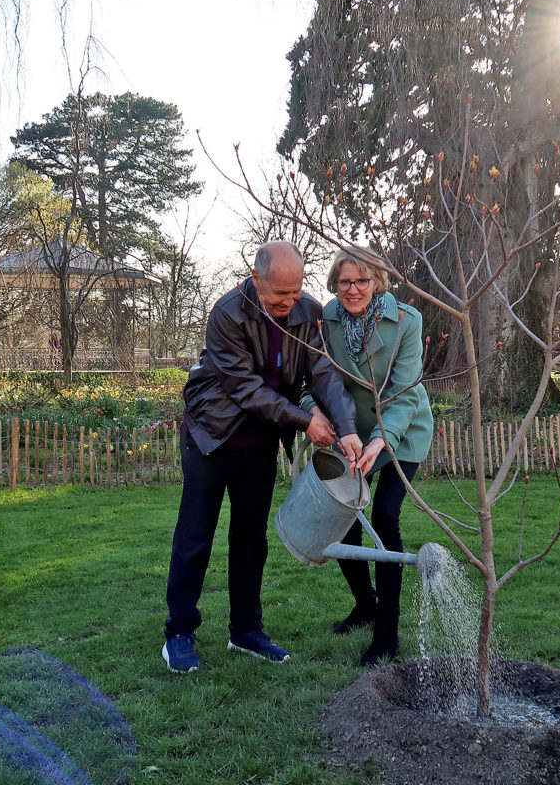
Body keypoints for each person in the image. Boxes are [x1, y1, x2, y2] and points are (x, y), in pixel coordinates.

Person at [162, 241, 363, 674]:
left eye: (295, 293)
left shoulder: (307, 313)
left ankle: (246, 631)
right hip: (211, 436)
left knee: (251, 539)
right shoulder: (228, 313)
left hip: (259, 439)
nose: (289, 304)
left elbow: (323, 373)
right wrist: (304, 420)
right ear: (256, 280)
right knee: (195, 536)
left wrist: (346, 428)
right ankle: (179, 631)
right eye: (279, 295)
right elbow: (244, 388)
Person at [305, 247, 433, 667]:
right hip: (350, 433)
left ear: (378, 281)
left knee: (384, 517)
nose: (353, 289)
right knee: (344, 521)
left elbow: (404, 391)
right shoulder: (326, 321)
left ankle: (387, 633)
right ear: (334, 284)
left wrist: (382, 438)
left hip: (402, 429)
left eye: (362, 280)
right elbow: (312, 379)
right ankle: (365, 604)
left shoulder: (406, 322)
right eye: (345, 281)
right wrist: (318, 413)